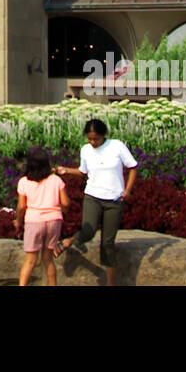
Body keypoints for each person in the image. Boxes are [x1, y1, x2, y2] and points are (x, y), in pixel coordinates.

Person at [58, 118, 137, 286]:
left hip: (114, 200)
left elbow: (132, 168)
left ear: (103, 136)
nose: (92, 142)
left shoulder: (116, 146)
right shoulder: (86, 150)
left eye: (96, 139)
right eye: (89, 139)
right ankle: (69, 241)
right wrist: (66, 171)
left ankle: (110, 283)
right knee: (88, 231)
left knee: (107, 243)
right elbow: (82, 171)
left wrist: (127, 191)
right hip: (93, 196)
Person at [13, 147, 70, 286]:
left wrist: (18, 221)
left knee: (30, 261)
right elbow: (66, 202)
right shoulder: (55, 180)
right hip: (53, 220)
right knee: (48, 259)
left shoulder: (24, 182)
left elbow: (21, 207)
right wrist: (61, 211)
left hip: (34, 221)